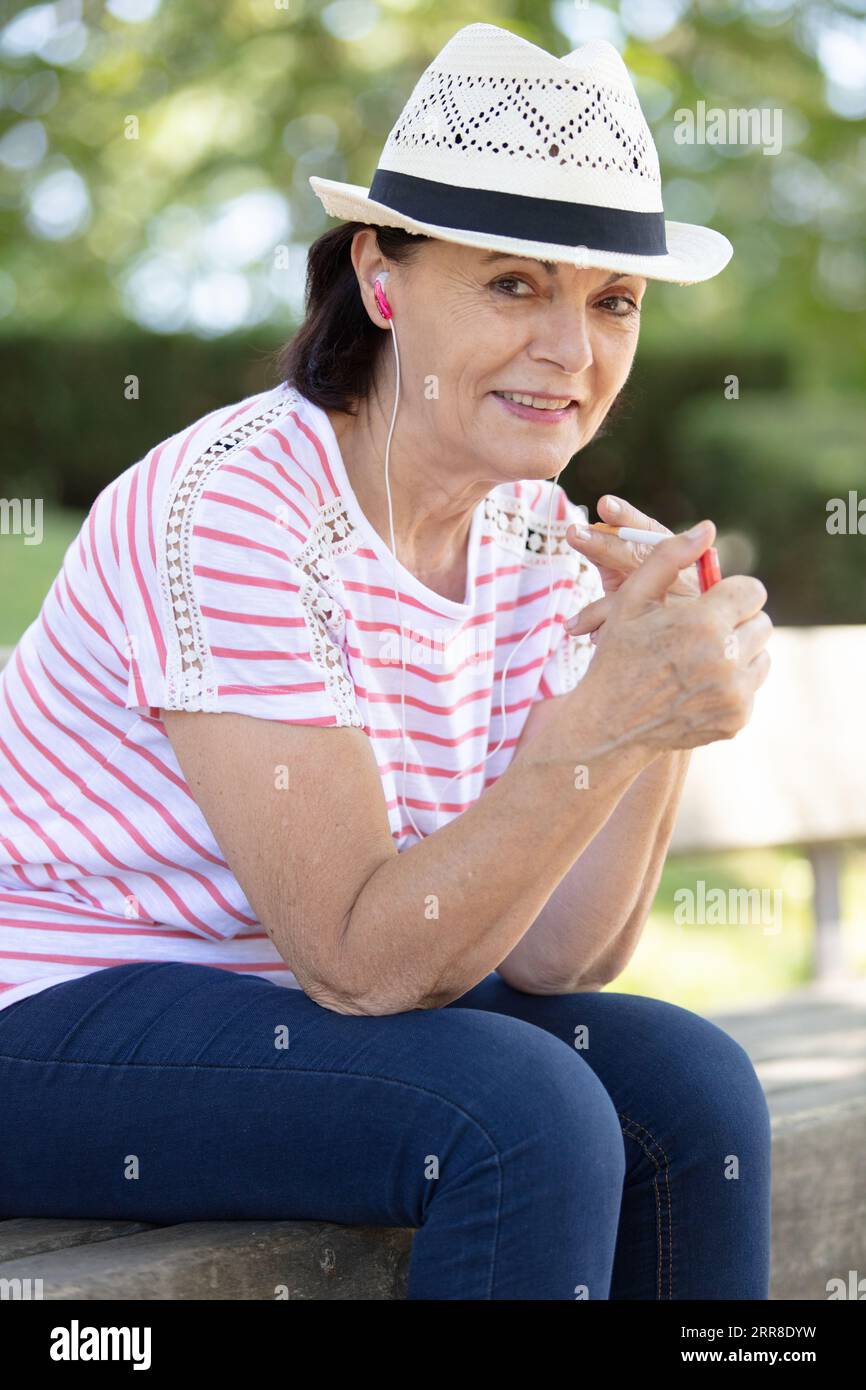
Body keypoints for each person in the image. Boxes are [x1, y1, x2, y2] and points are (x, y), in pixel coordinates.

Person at [0, 23, 773, 1299]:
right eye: (512, 283)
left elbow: (555, 960)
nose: (571, 354)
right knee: (519, 1111)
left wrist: (653, 707)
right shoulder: (236, 509)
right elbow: (362, 960)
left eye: (611, 301)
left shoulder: (528, 522)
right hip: (46, 1010)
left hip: (277, 1014)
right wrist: (604, 720)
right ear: (381, 279)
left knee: (689, 1089)